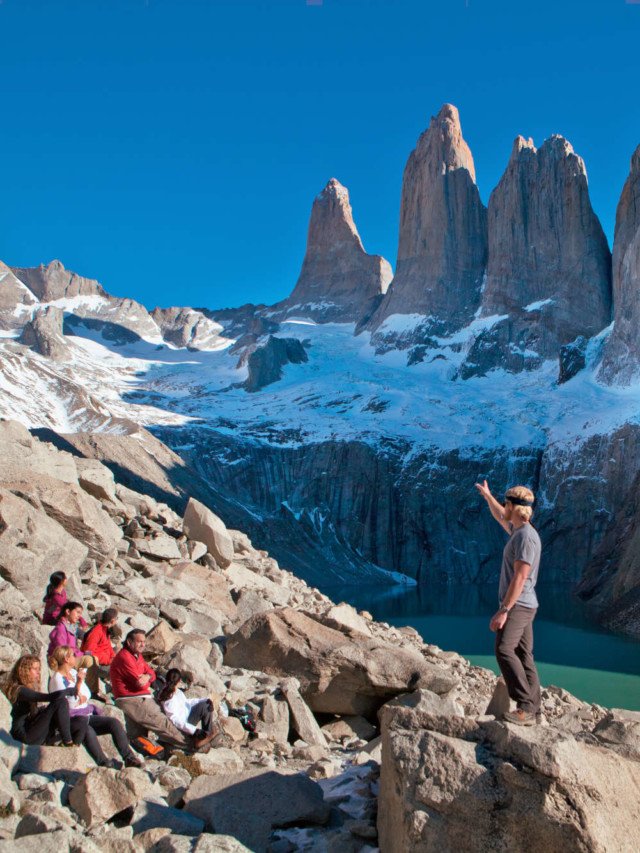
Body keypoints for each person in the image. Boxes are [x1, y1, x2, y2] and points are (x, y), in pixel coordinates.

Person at [475, 480, 542, 726]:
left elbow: (520, 576)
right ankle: (535, 709)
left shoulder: (525, 537)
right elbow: (499, 517)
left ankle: (525, 707)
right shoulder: (519, 531)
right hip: (525, 604)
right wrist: (488, 496)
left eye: (506, 503)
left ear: (514, 507)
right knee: (524, 656)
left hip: (519, 605)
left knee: (504, 649)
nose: (504, 507)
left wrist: (504, 609)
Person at [48, 645, 143, 768]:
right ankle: (104, 763)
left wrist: (80, 689)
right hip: (70, 720)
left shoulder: (72, 672)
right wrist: (79, 684)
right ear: (66, 659)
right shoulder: (57, 679)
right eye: (72, 655)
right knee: (88, 730)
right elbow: (67, 703)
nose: (75, 657)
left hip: (84, 713)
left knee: (113, 723)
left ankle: (129, 757)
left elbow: (84, 694)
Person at [110, 629, 191, 749]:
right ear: (129, 642)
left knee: (170, 712)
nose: (143, 644)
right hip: (131, 698)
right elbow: (140, 684)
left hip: (142, 696)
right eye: (139, 642)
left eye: (144, 641)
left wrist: (147, 676)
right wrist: (147, 679)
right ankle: (190, 744)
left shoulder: (137, 656)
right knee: (161, 721)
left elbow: (152, 674)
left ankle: (182, 740)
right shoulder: (124, 658)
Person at [2, 654, 87, 748]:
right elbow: (43, 697)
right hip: (24, 736)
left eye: (39, 669)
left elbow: (31, 716)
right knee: (60, 702)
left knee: (82, 721)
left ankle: (73, 747)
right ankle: (68, 742)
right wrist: (68, 691)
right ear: (24, 671)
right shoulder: (19, 690)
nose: (38, 672)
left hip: (34, 731)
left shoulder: (28, 687)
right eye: (35, 669)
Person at [158, 669, 218, 749]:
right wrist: (194, 730)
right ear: (179, 681)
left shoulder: (177, 691)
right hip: (183, 726)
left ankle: (205, 735)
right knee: (205, 707)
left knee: (206, 705)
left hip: (187, 716)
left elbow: (187, 703)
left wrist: (205, 700)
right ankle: (201, 740)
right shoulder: (167, 698)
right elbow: (175, 720)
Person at [48, 601, 99, 694]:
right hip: (63, 659)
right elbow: (62, 650)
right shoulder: (61, 628)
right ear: (68, 612)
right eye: (77, 612)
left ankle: (88, 688)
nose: (79, 616)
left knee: (93, 658)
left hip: (71, 656)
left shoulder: (71, 627)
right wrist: (80, 654)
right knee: (89, 660)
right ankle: (90, 690)